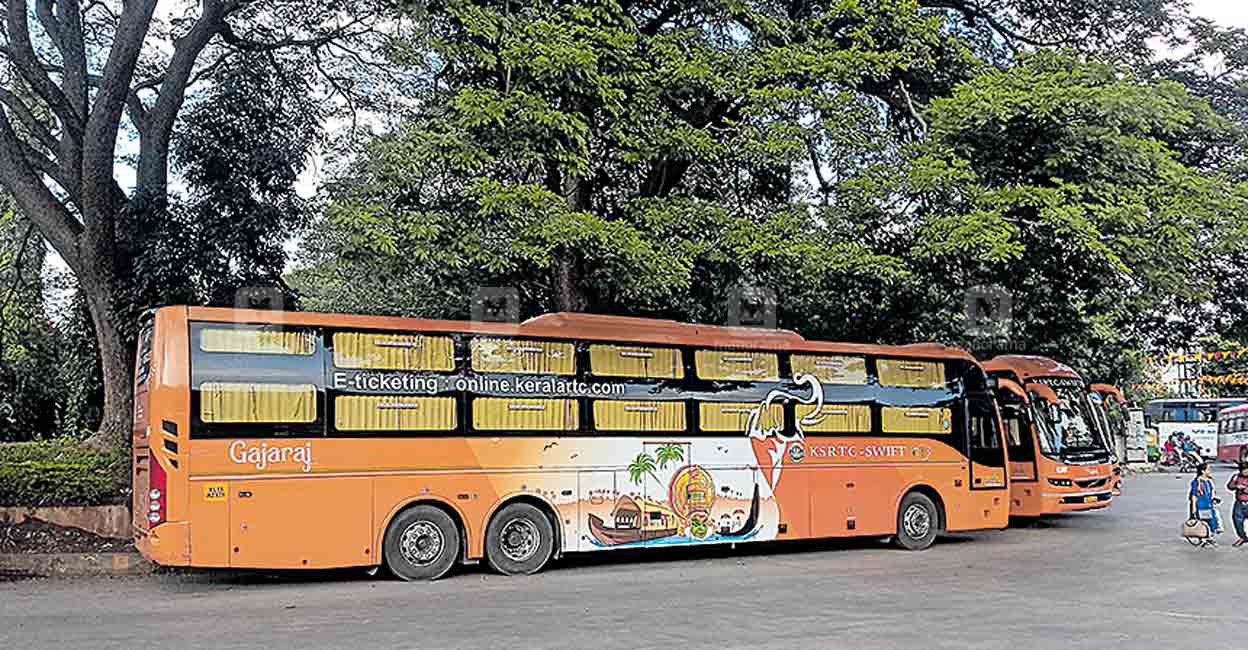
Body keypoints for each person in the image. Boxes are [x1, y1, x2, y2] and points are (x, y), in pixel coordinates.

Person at [1190, 463, 1222, 542]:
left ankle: (1209, 536)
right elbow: (1194, 495)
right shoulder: (1197, 482)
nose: (1209, 471)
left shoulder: (1210, 481)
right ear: (1203, 471)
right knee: (1203, 521)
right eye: (1208, 469)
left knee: (1212, 520)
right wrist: (1193, 508)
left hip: (1209, 505)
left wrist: (1214, 499)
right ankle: (1204, 537)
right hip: (1201, 505)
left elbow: (1211, 492)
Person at [1227, 462, 1248, 547]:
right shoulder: (1236, 476)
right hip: (1239, 503)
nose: (1246, 472)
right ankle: (1242, 537)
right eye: (1244, 470)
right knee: (1237, 521)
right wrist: (1236, 486)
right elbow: (1229, 486)